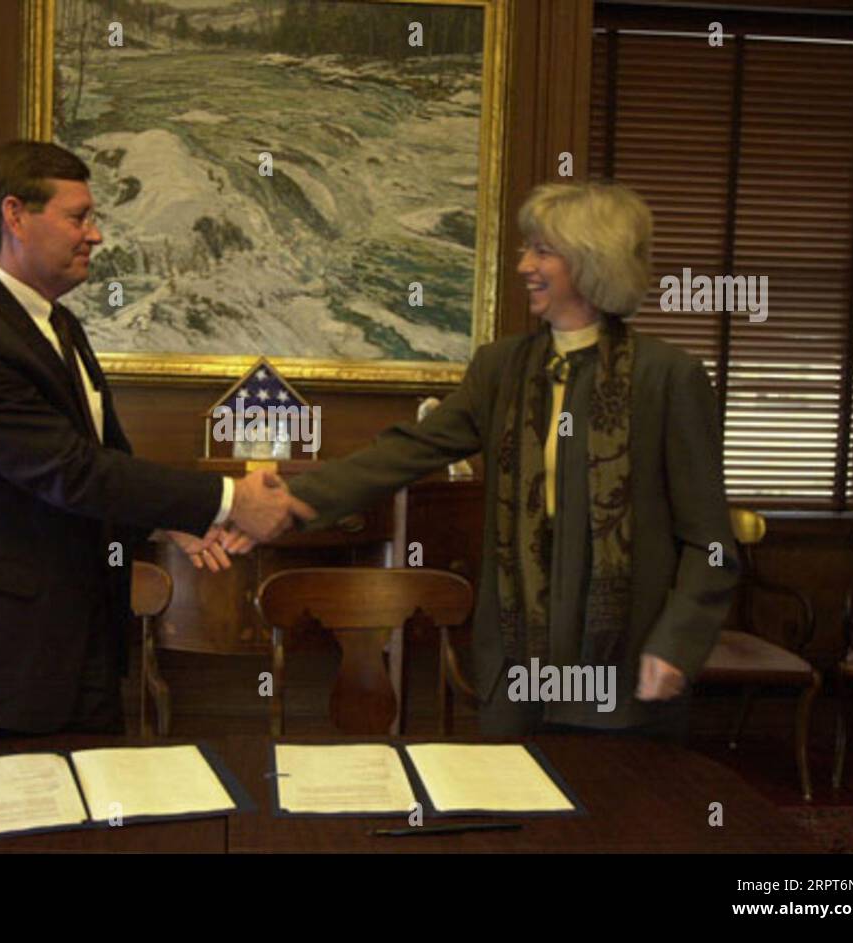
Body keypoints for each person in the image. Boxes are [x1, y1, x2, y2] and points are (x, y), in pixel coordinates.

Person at [236, 182, 740, 739]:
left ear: (593, 260)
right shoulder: (501, 368)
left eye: (542, 251)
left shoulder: (668, 377)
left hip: (629, 664)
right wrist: (289, 499)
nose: (524, 265)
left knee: (615, 816)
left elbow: (709, 542)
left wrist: (678, 644)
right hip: (517, 662)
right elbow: (410, 450)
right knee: (513, 811)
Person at [0, 141, 313, 734]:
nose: (95, 235)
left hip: (65, 643)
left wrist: (164, 518)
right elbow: (69, 471)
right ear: (15, 216)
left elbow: (102, 461)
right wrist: (230, 501)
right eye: (79, 217)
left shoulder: (56, 322)